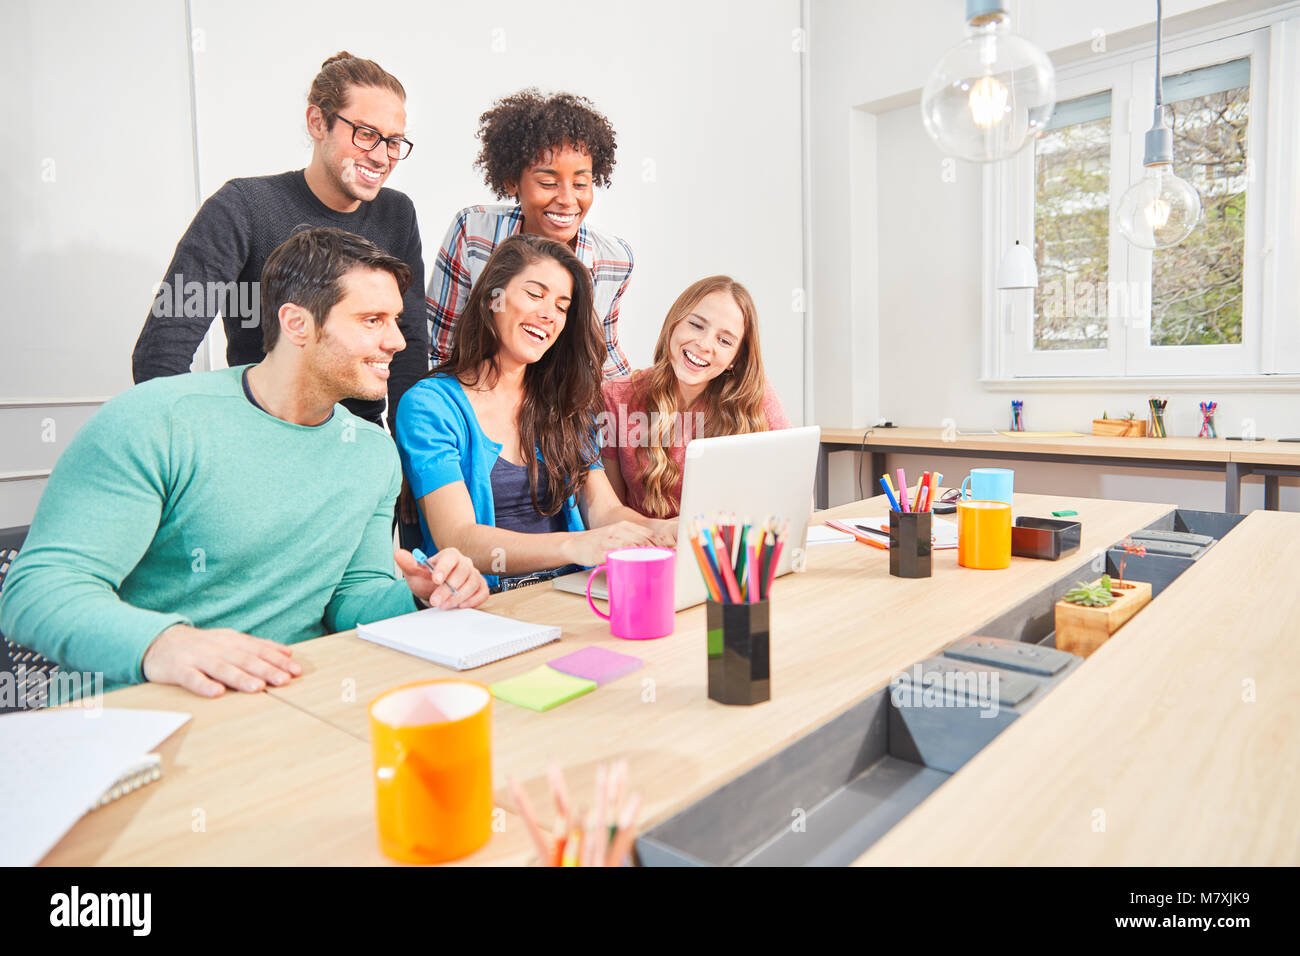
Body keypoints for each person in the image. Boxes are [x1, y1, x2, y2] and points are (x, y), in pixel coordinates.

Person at [0, 228, 488, 699]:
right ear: (296, 324)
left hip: (299, 698)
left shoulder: (372, 452)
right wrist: (165, 643)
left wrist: (417, 594)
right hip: (159, 709)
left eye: (395, 322)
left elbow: (350, 597)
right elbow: (38, 589)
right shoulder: (156, 421)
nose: (398, 343)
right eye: (371, 320)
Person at [132, 52, 428, 429]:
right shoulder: (244, 207)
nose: (381, 156)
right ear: (318, 122)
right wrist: (196, 449)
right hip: (262, 432)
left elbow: (410, 344)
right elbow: (162, 350)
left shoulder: (397, 214)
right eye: (366, 134)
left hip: (359, 444)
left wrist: (409, 457)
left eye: (394, 141)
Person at [397, 234, 676, 592]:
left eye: (562, 306)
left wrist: (661, 529)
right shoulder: (430, 406)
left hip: (569, 596)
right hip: (482, 605)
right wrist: (576, 545)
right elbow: (460, 538)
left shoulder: (564, 404)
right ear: (492, 299)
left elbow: (604, 511)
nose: (549, 315)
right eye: (535, 294)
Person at [427, 89, 633, 378]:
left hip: (557, 410)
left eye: (580, 184)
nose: (566, 199)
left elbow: (603, 356)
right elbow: (438, 346)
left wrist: (640, 407)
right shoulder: (474, 232)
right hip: (475, 397)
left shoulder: (615, 260)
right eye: (548, 182)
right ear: (513, 182)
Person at [600, 276, 791, 518]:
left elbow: (794, 497)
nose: (704, 344)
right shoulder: (616, 397)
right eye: (697, 325)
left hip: (724, 549)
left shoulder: (754, 396)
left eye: (724, 340)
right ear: (674, 323)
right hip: (648, 549)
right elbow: (610, 515)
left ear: (735, 359)